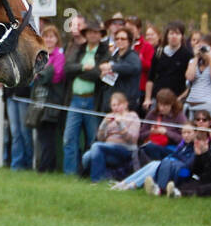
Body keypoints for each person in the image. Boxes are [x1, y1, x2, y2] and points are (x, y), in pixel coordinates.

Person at [63, 18, 108, 176]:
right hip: (75, 99)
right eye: (90, 32)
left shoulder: (104, 51)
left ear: (100, 35)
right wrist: (83, 67)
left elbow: (98, 75)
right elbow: (67, 69)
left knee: (92, 140)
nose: (93, 35)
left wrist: (82, 72)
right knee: (69, 139)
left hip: (92, 100)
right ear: (86, 34)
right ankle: (70, 173)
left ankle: (91, 173)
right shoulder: (79, 49)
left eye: (96, 32)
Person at [30, 23, 68, 173]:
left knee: (49, 136)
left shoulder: (59, 55)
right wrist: (42, 73)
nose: (49, 39)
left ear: (56, 39)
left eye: (52, 36)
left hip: (52, 99)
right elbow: (34, 75)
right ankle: (45, 166)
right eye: (46, 36)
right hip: (39, 99)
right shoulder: (40, 55)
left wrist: (42, 73)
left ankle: (46, 168)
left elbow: (57, 75)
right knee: (41, 135)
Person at [82, 91, 140, 182]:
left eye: (119, 104)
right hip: (107, 148)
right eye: (113, 105)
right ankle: (104, 177)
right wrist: (104, 124)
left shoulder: (132, 116)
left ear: (126, 104)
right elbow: (100, 138)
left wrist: (120, 124)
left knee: (96, 147)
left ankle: (96, 180)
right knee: (86, 157)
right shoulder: (109, 116)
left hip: (124, 150)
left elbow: (132, 139)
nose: (116, 108)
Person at [146, 20, 191, 111]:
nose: (174, 36)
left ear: (182, 36)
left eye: (177, 34)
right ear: (167, 35)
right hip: (157, 99)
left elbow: (190, 83)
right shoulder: (159, 53)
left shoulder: (187, 55)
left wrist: (180, 98)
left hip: (176, 99)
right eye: (171, 33)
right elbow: (150, 78)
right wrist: (147, 98)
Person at [184, 31, 211, 119]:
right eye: (200, 46)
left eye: (205, 47)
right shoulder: (192, 62)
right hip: (191, 103)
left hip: (208, 105)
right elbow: (189, 77)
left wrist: (210, 59)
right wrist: (196, 57)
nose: (202, 49)